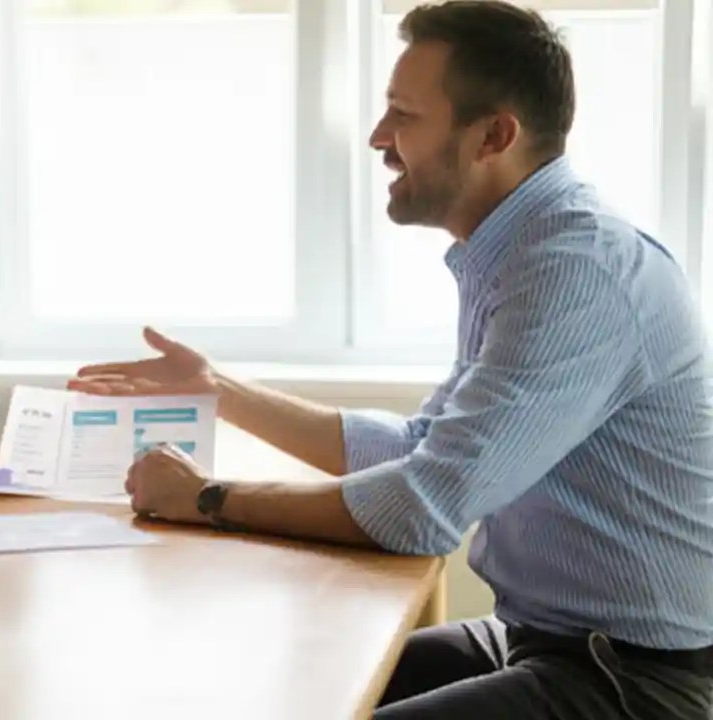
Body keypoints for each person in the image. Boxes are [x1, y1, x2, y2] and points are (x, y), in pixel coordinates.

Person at [70, 2, 713, 717]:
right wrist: (218, 389)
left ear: (493, 135)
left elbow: (419, 508)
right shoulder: (520, 254)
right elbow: (415, 449)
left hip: (639, 682)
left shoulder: (575, 272)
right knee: (291, 684)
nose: (378, 138)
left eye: (403, 115)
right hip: (547, 640)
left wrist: (206, 499)